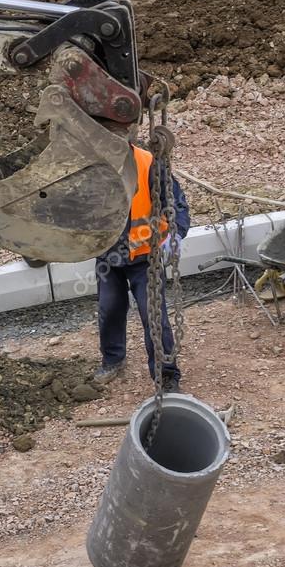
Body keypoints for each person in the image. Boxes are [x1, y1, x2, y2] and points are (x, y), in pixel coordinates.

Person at [95, 142, 190, 392]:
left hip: (145, 257)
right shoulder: (90, 165)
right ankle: (113, 359)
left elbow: (175, 202)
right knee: (109, 309)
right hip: (108, 258)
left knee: (154, 316)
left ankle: (167, 375)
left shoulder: (147, 162)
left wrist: (176, 233)